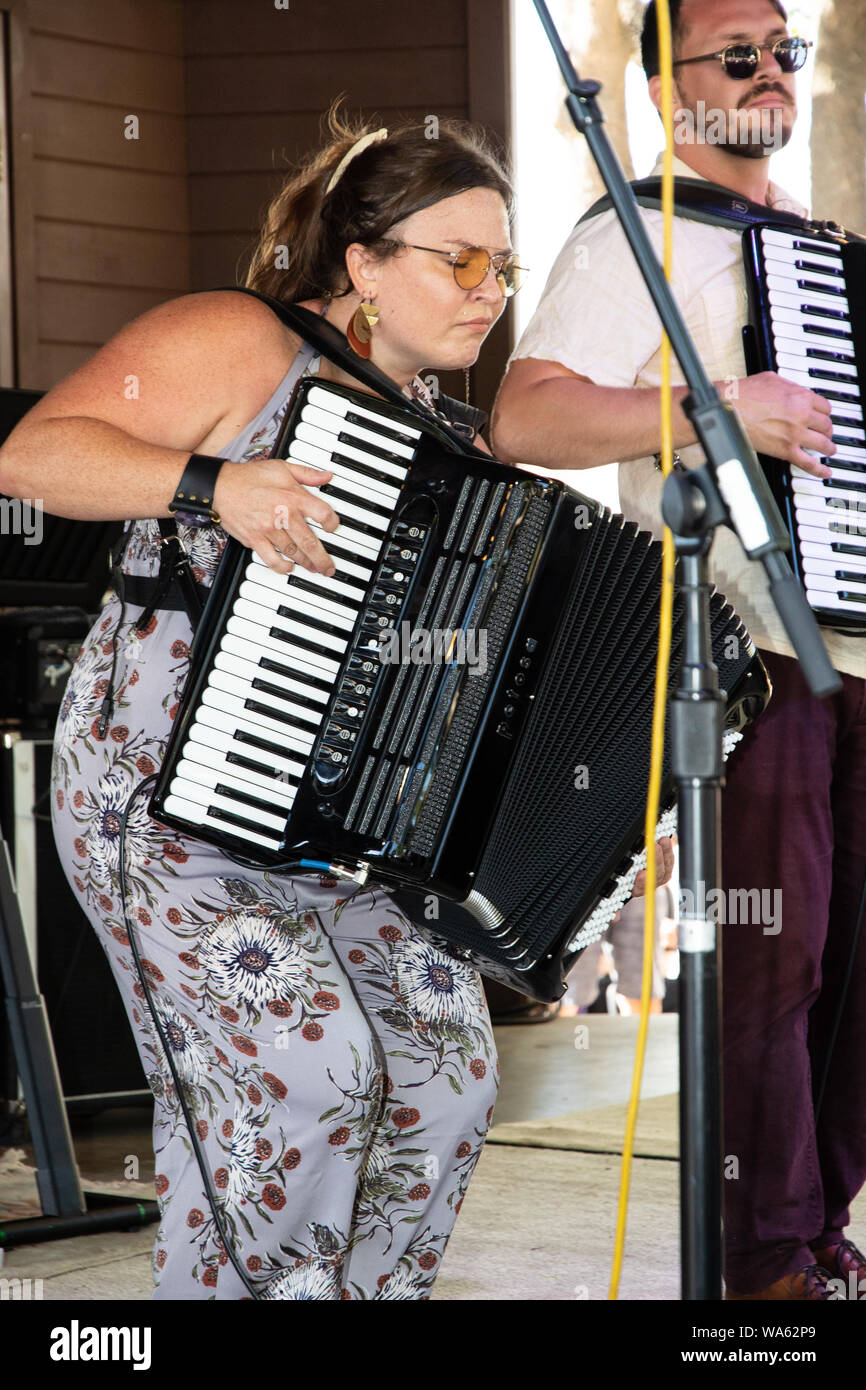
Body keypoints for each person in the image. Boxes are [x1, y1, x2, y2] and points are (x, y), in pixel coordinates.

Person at [0, 109, 525, 1300]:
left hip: (345, 833)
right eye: (460, 258)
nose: (489, 288)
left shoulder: (447, 437)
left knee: (444, 1076)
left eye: (504, 264)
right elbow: (31, 455)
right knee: (302, 1069)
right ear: (364, 265)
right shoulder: (239, 342)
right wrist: (212, 483)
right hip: (163, 802)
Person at [493, 0, 866, 1301]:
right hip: (750, 656)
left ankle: (808, 1227)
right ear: (664, 87)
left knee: (853, 976)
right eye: (734, 54)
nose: (768, 74)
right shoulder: (632, 237)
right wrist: (711, 412)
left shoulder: (819, 250)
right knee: (772, 963)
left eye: (783, 52)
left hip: (857, 657)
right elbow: (523, 415)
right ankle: (759, 1267)